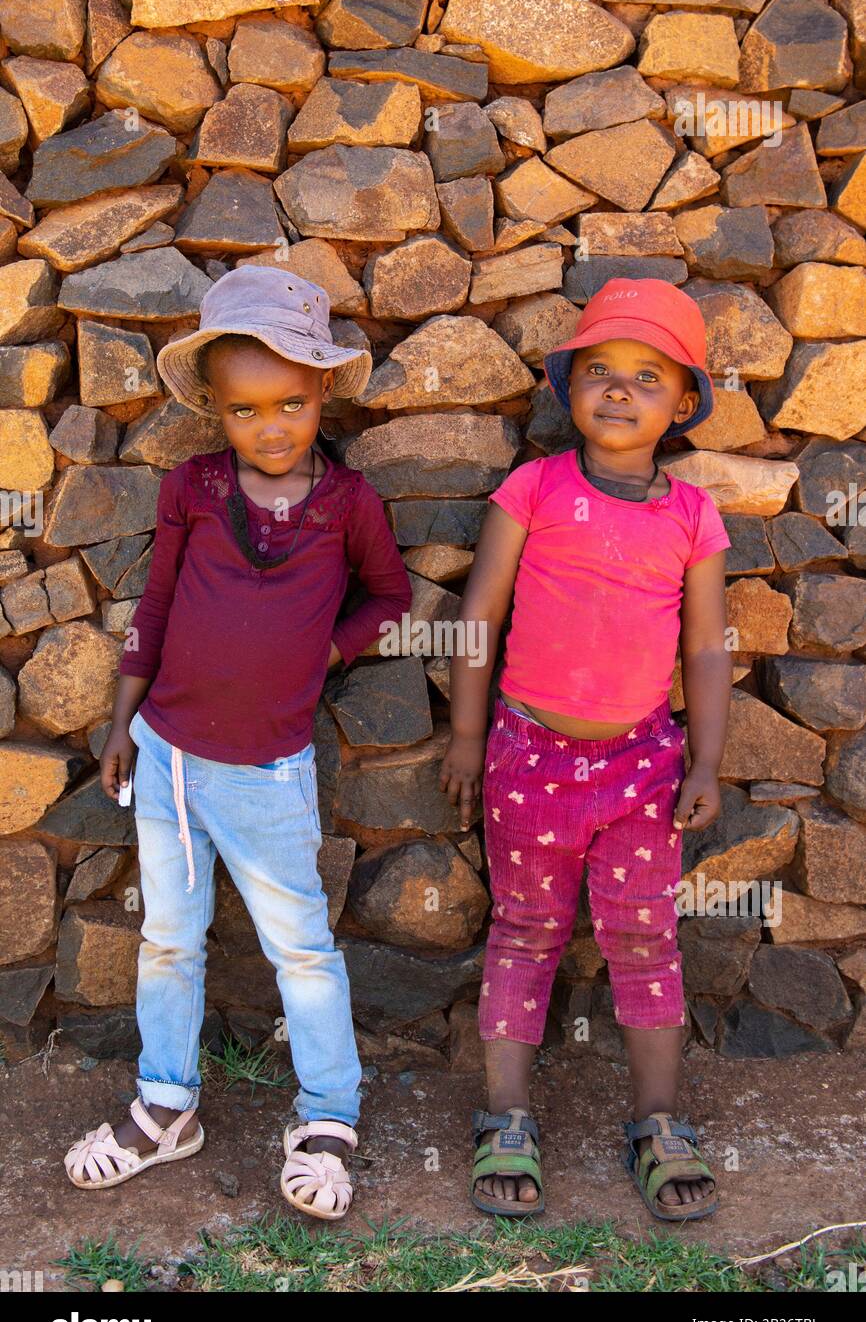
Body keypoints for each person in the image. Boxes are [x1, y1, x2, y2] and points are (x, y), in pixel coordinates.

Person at [64, 266, 413, 1221]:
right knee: (167, 938)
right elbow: (160, 604)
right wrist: (122, 722)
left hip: (268, 772)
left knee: (300, 945)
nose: (270, 427)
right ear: (216, 410)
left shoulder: (347, 505)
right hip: (169, 758)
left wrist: (320, 656)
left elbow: (391, 598)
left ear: (323, 393)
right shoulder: (193, 487)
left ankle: (330, 1116)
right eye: (245, 409)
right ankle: (166, 1104)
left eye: (291, 404)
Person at [440, 278, 732, 1221]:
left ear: (682, 404)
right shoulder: (534, 489)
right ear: (568, 389)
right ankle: (507, 1115)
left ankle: (655, 1118)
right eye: (597, 369)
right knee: (525, 929)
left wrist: (708, 761)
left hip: (642, 767)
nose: (617, 389)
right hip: (526, 756)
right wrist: (469, 735)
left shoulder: (692, 518)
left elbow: (705, 648)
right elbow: (479, 615)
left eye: (646, 376)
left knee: (645, 937)